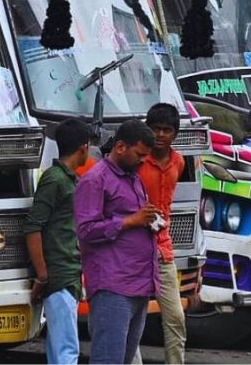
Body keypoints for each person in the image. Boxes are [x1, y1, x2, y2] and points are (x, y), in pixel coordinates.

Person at [75, 120, 160, 364]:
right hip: (113, 286)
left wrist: (150, 220)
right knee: (107, 360)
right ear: (121, 146)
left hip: (139, 284)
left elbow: (134, 217)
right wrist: (131, 221)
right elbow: (85, 230)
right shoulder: (95, 180)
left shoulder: (133, 178)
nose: (144, 161)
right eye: (140, 154)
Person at [23, 118, 91, 365]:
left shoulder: (69, 180)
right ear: (83, 148)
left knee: (60, 350)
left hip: (68, 276)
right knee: (67, 352)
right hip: (59, 277)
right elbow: (33, 226)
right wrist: (42, 276)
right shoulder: (55, 179)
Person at [138, 103, 187, 364]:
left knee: (175, 317)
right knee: (133, 318)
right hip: (134, 248)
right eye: (155, 129)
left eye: (166, 130)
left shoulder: (178, 162)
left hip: (163, 247)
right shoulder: (136, 161)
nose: (160, 135)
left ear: (175, 134)